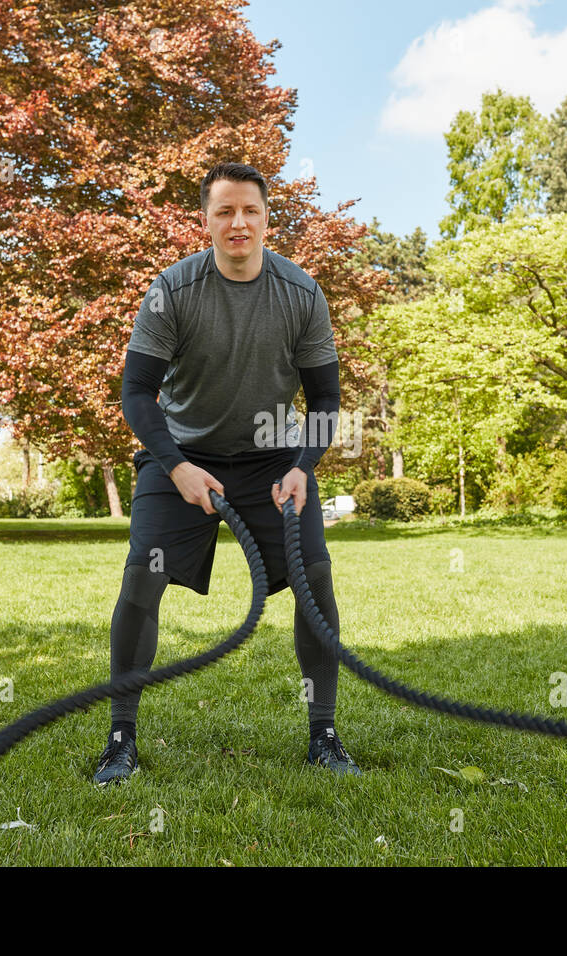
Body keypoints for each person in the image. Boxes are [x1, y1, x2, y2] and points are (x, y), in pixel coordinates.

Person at [93, 161, 360, 784]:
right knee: (142, 580)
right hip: (182, 455)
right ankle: (120, 739)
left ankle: (323, 732)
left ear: (267, 219)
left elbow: (324, 400)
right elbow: (136, 393)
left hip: (273, 462)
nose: (238, 223)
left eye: (249, 211)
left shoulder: (301, 294)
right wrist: (177, 466)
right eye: (224, 211)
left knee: (315, 579)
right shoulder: (172, 290)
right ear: (207, 220)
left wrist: (303, 468)